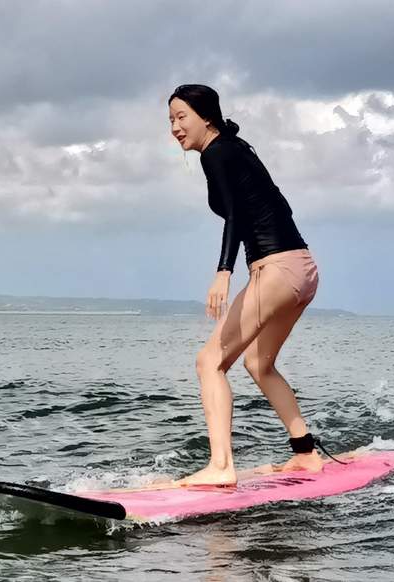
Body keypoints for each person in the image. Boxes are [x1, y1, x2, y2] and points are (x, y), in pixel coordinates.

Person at [168, 84, 324, 487]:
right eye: (171, 120)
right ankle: (305, 453)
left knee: (209, 362)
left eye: (182, 117)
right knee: (258, 363)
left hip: (276, 270)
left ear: (207, 117)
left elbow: (235, 213)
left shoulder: (217, 152)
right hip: (302, 268)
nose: (175, 127)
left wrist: (224, 270)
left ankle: (221, 466)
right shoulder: (238, 149)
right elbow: (277, 203)